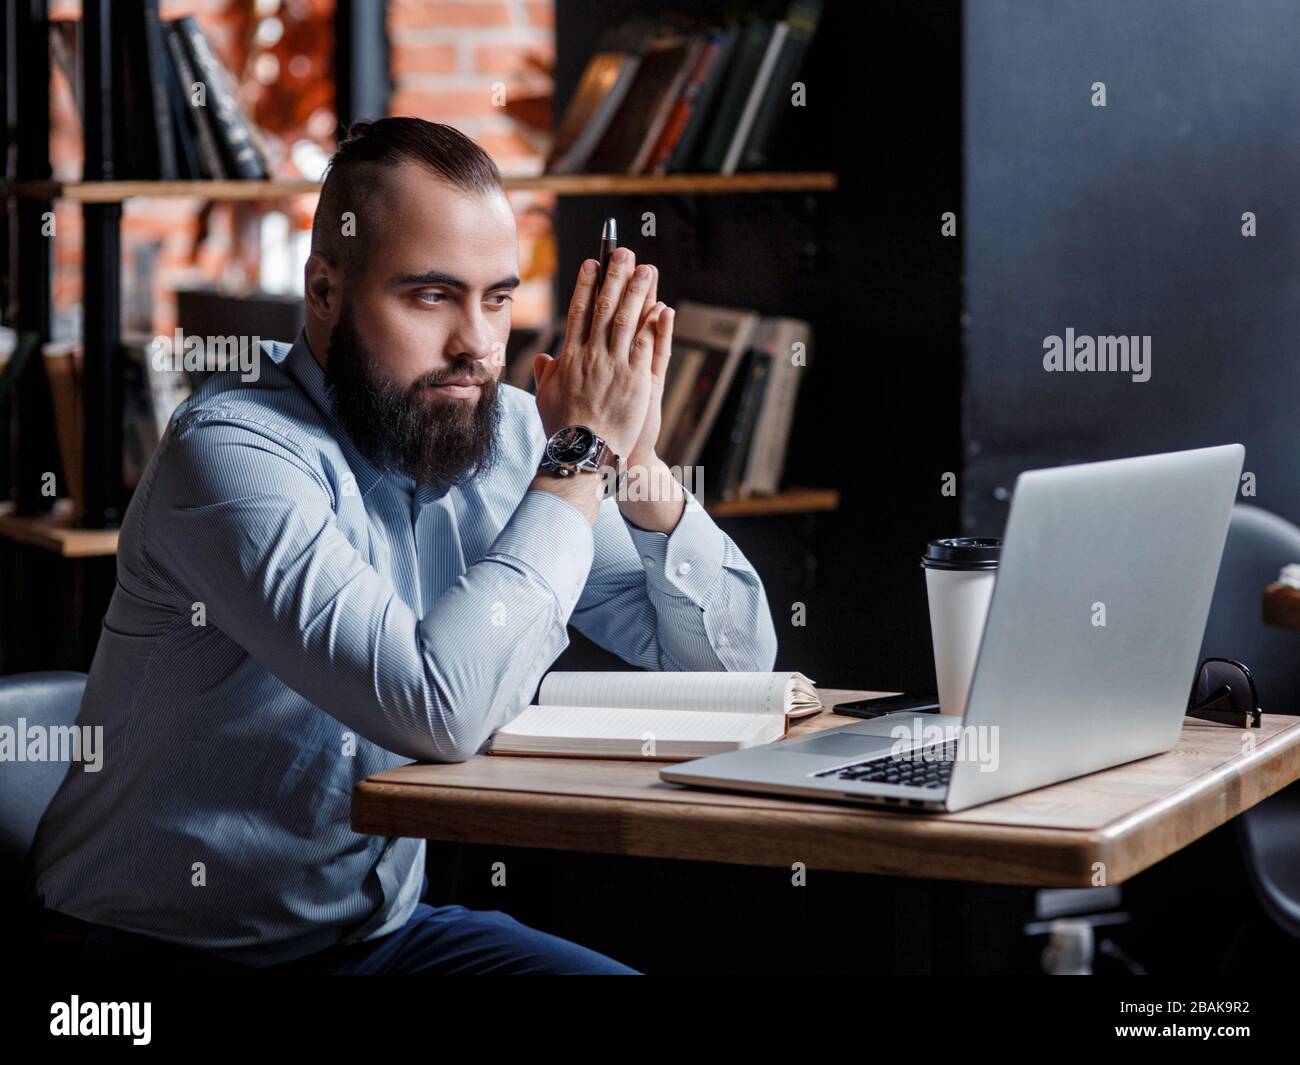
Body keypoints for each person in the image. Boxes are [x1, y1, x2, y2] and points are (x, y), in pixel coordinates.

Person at [27, 117, 778, 974]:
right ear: (324, 290)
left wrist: (634, 462)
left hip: (386, 941)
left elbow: (735, 669)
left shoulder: (515, 439)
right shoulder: (230, 453)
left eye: (497, 298)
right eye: (431, 296)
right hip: (157, 954)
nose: (477, 345)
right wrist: (579, 461)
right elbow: (436, 706)